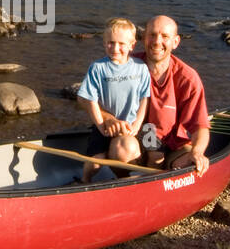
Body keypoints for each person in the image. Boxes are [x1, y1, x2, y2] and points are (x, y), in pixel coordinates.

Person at [133, 15, 210, 175]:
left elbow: (200, 127)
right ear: (143, 38)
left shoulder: (187, 78)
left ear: (175, 42)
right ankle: (123, 184)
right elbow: (87, 98)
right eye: (152, 35)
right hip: (135, 140)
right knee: (122, 149)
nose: (156, 41)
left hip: (173, 145)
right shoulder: (127, 67)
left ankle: (158, 175)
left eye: (165, 36)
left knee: (189, 164)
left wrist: (197, 152)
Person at [76, 17, 151, 182]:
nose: (115, 48)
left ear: (132, 45)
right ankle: (84, 180)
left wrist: (137, 125)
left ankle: (127, 180)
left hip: (131, 125)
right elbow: (91, 100)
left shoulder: (140, 68)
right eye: (110, 42)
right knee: (95, 162)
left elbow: (144, 99)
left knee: (144, 152)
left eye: (121, 44)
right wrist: (101, 125)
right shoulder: (98, 68)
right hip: (105, 126)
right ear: (104, 43)